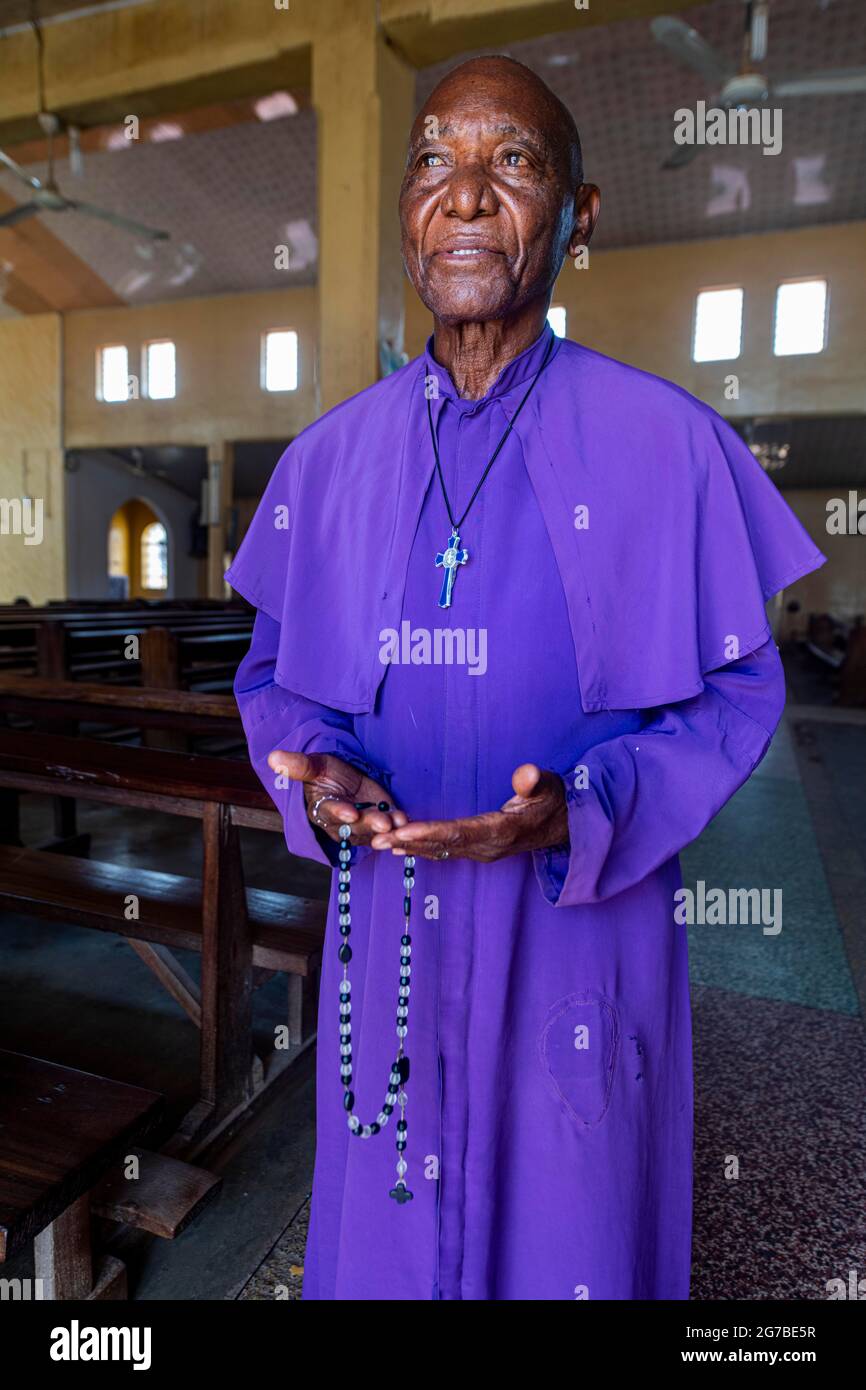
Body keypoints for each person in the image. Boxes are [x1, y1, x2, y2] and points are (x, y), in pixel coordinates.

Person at [227, 56, 824, 1301]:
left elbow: (732, 695)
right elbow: (276, 678)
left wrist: (586, 806)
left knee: (573, 1224)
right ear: (404, 207)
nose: (461, 195)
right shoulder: (329, 461)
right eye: (433, 159)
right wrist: (317, 773)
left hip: (575, 937)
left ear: (576, 217)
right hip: (388, 925)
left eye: (510, 164)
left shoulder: (668, 443)